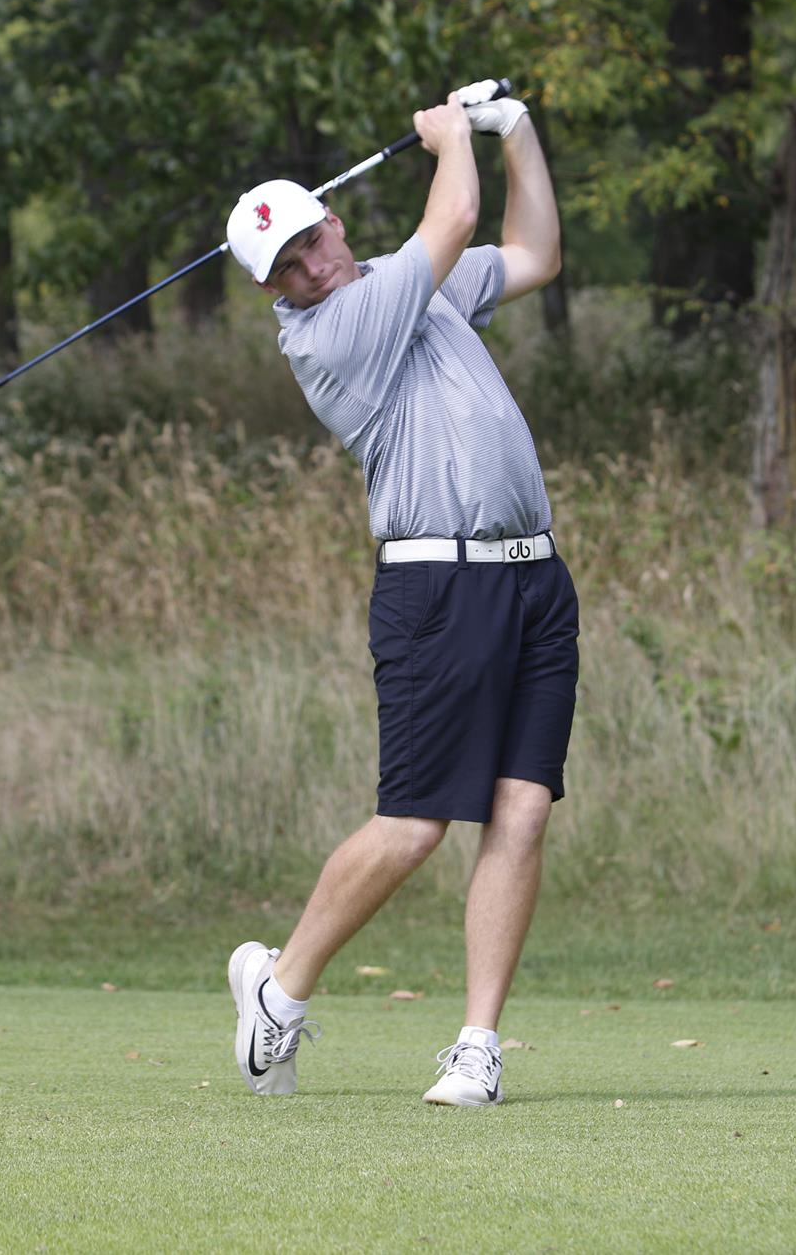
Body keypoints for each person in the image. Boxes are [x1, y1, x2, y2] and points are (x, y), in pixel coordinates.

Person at [220, 81, 577, 1107]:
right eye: (282, 268)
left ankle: (475, 1044)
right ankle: (278, 995)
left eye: (307, 242)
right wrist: (445, 138)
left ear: (332, 218)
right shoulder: (331, 333)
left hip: (533, 583)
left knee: (519, 811)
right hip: (434, 591)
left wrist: (515, 135)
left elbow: (533, 254)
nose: (306, 267)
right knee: (416, 823)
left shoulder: (402, 283)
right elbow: (454, 213)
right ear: (271, 291)